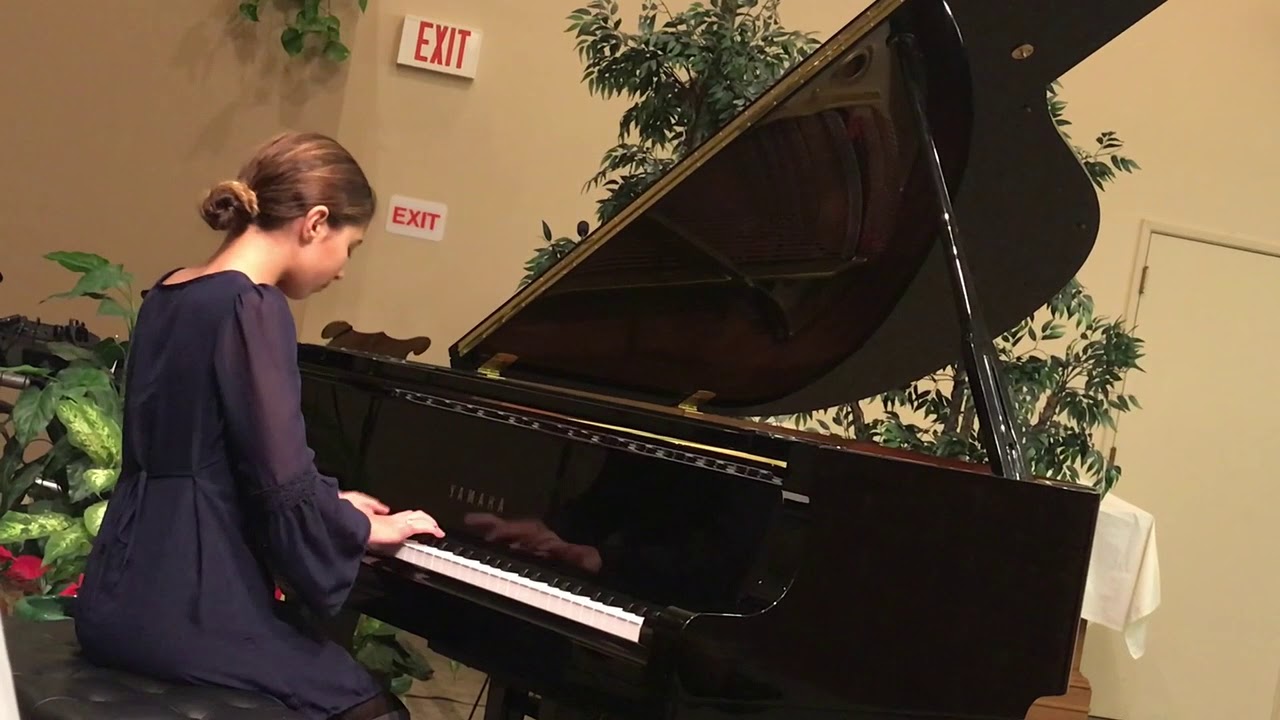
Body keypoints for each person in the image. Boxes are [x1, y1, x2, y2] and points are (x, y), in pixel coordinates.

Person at [74, 131, 442, 720]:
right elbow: (281, 480)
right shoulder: (253, 305)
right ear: (315, 223)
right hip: (191, 603)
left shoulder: (170, 292)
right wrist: (362, 528)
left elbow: (215, 458)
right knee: (370, 708)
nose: (342, 271)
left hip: (118, 592)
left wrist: (333, 503)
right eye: (351, 247)